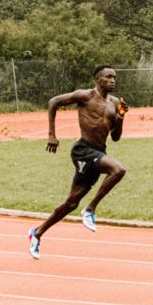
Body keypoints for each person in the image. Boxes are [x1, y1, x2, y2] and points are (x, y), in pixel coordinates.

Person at [28, 65, 129, 259]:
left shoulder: (115, 103)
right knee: (118, 170)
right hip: (83, 150)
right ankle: (90, 210)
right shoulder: (86, 96)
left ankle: (37, 233)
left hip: (99, 152)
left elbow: (115, 137)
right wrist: (51, 134)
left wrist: (121, 116)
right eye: (108, 77)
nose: (113, 80)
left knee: (71, 203)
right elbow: (54, 101)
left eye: (115, 77)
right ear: (98, 80)